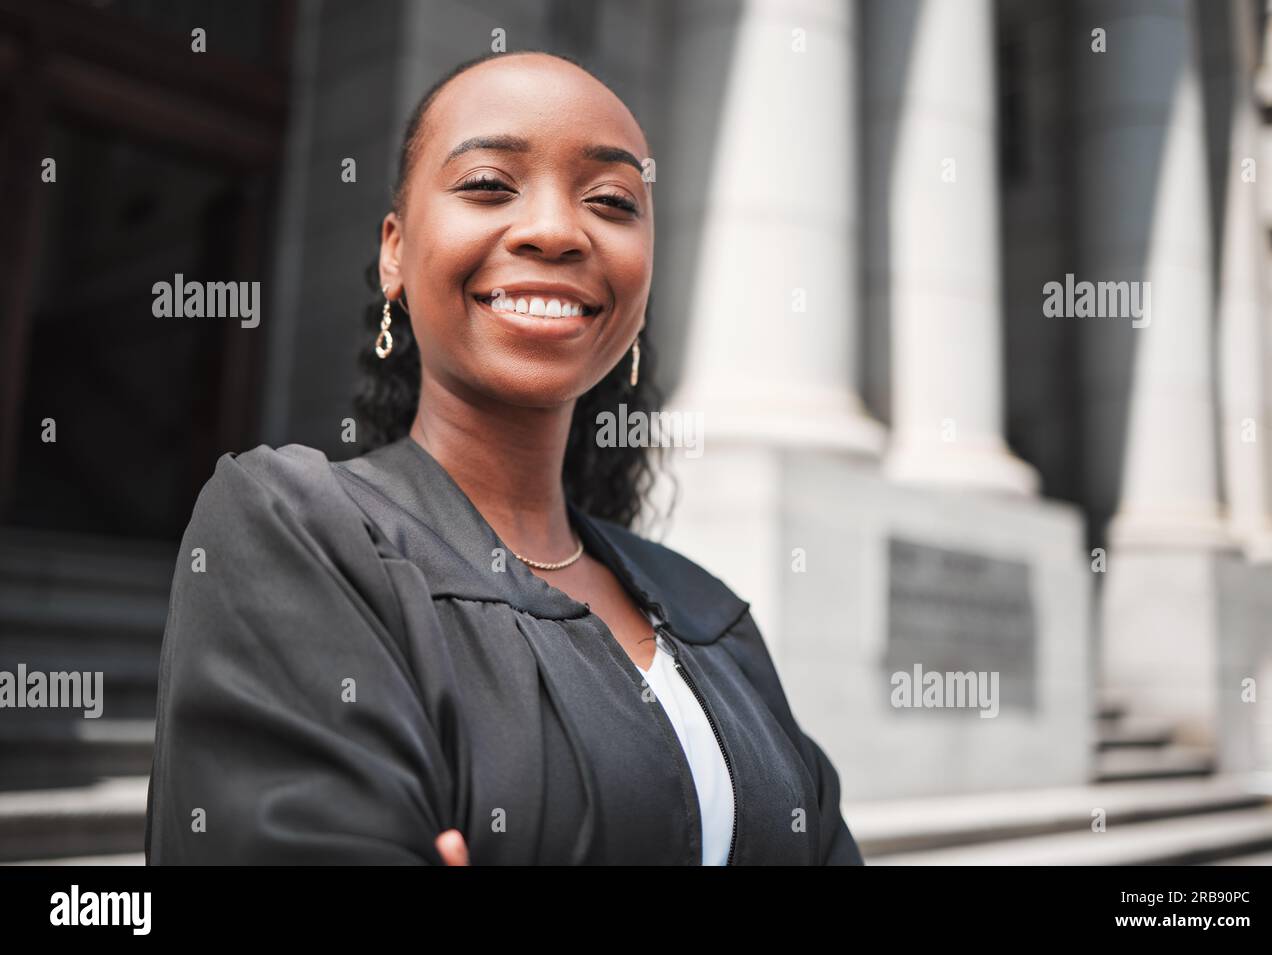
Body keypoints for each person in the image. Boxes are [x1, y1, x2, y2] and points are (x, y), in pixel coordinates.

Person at [144, 49, 862, 866]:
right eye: (489, 184)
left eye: (611, 200)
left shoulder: (711, 616)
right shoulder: (296, 529)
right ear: (394, 252)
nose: (556, 230)